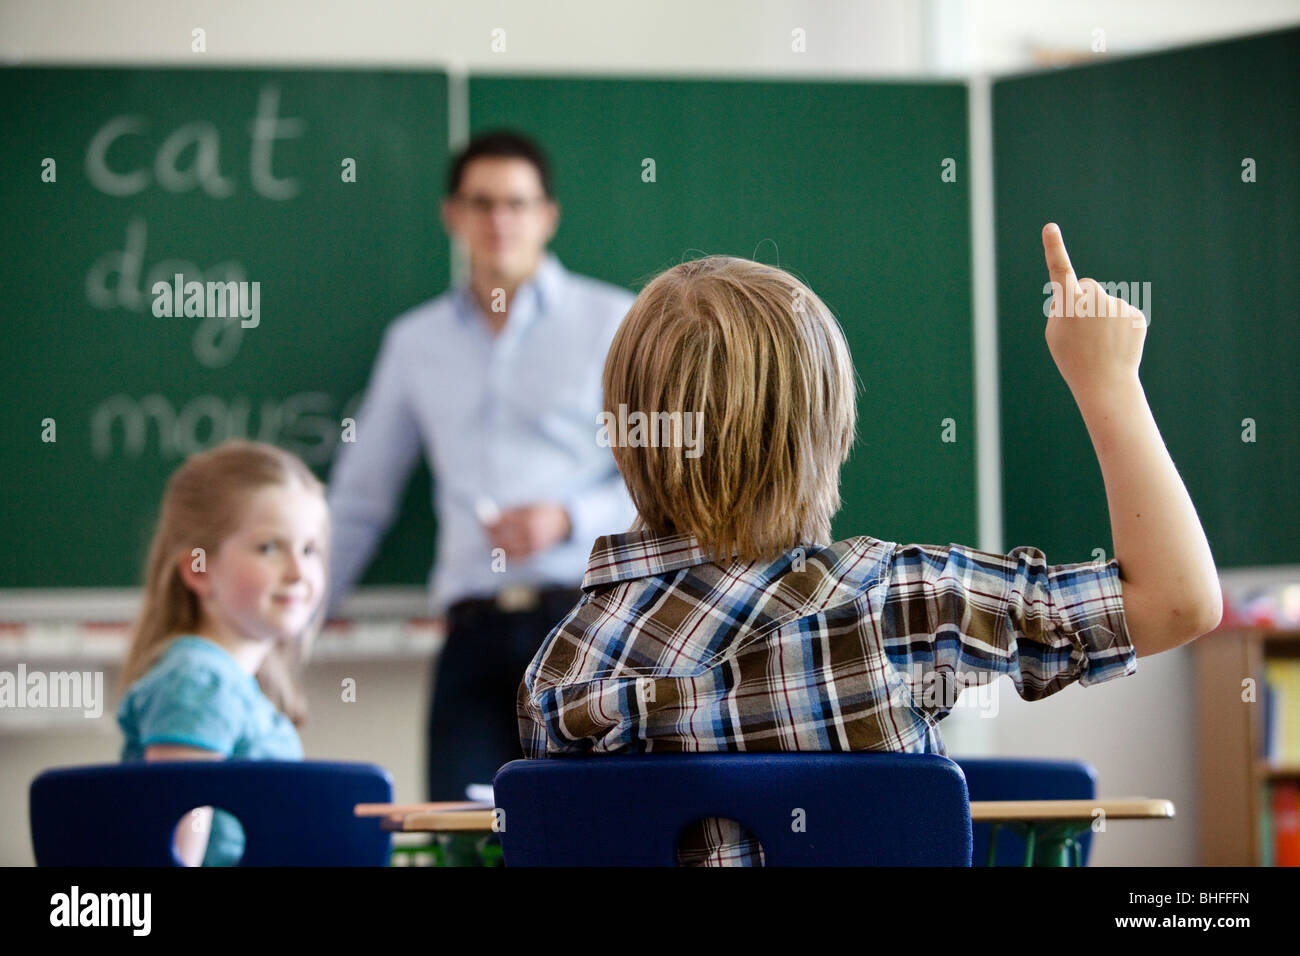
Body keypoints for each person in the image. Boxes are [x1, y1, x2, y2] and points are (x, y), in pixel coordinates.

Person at [518, 224, 1224, 866]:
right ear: (826, 434)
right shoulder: (897, 606)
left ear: (622, 437)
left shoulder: (562, 672)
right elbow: (1179, 601)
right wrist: (1108, 382)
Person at [325, 130, 637, 805]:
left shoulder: (615, 323)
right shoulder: (416, 343)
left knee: (586, 837)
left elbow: (671, 487)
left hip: (584, 627)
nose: (500, 221)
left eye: (517, 204)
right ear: (453, 215)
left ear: (547, 216)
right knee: (458, 840)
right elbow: (359, 501)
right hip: (469, 635)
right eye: (483, 203)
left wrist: (568, 519)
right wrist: (281, 636)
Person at [118, 440, 329, 866]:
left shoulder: (227, 683)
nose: (298, 571)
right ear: (198, 570)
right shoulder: (199, 682)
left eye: (309, 549)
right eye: (269, 547)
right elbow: (177, 857)